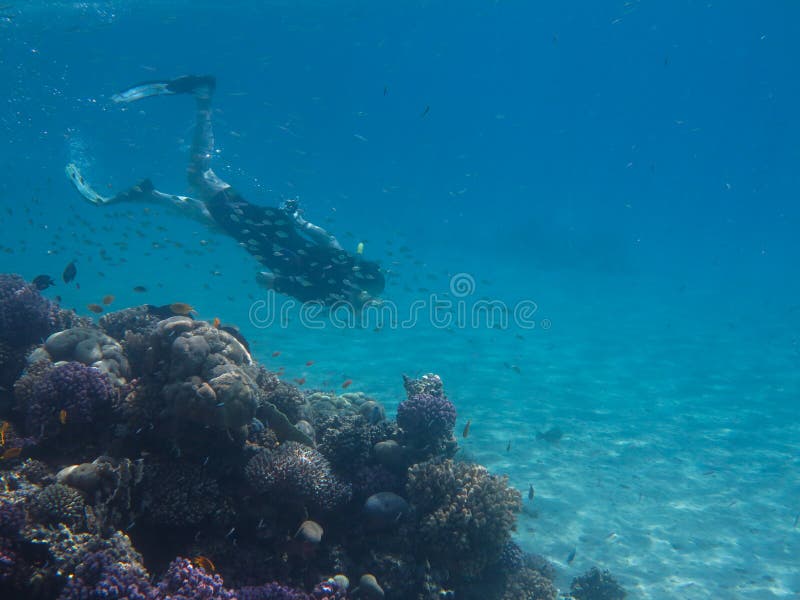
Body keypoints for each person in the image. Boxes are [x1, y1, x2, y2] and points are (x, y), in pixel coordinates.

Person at [66, 75, 385, 308]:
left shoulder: (343, 264)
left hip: (268, 227)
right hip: (257, 232)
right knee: (199, 175)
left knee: (208, 219)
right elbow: (267, 279)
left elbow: (325, 238)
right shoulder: (323, 292)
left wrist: (298, 221)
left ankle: (149, 195)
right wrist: (281, 275)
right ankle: (203, 98)